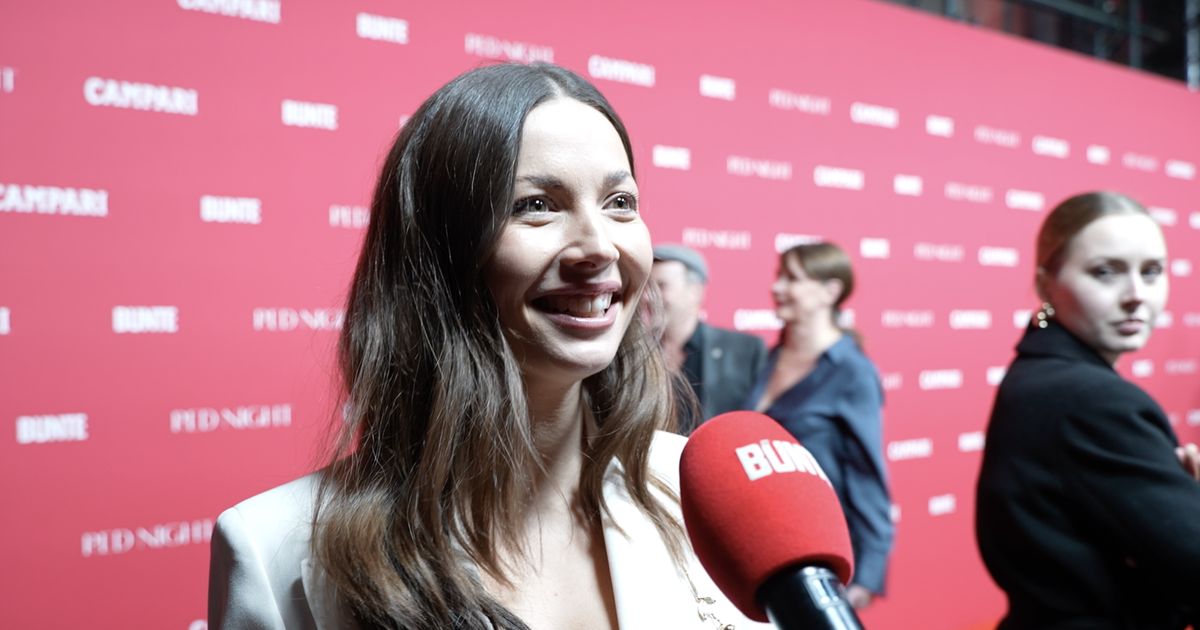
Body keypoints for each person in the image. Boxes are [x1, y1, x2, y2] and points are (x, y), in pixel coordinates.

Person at [206, 63, 772, 630]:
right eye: (536, 205)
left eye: (619, 202)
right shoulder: (272, 546)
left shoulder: (710, 498)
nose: (598, 246)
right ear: (437, 253)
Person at [975, 191, 1200, 629]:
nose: (1136, 295)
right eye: (1105, 272)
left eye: (1151, 272)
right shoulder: (1091, 398)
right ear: (1045, 284)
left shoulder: (1040, 374)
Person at [746, 242, 893, 609]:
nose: (777, 288)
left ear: (831, 292)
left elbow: (868, 478)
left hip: (820, 550)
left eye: (792, 278)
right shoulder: (767, 357)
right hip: (761, 542)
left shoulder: (852, 372)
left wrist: (866, 577)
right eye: (778, 276)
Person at [650, 243, 767, 434]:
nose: (650, 297)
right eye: (648, 288)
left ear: (695, 291)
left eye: (661, 286)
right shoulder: (635, 353)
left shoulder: (744, 350)